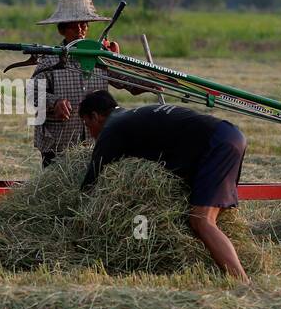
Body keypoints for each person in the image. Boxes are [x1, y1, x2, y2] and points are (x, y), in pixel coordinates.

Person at [78, 91, 250, 282]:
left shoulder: (112, 127)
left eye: (88, 125)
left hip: (217, 143)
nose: (91, 134)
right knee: (207, 214)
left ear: (95, 116)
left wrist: (77, 212)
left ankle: (241, 281)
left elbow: (93, 176)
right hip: (228, 134)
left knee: (201, 221)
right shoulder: (132, 116)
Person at [31, 0, 142, 167]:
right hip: (59, 144)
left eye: (84, 25)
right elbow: (33, 93)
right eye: (74, 27)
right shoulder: (50, 59)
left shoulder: (100, 57)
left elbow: (126, 82)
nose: (80, 31)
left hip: (93, 144)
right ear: (62, 30)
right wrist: (55, 103)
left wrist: (149, 82)